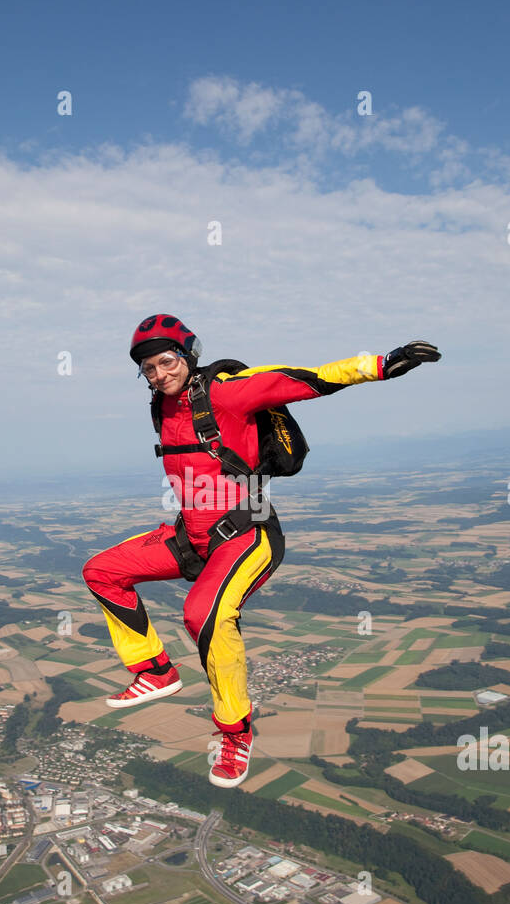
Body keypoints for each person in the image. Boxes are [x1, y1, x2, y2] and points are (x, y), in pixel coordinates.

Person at [82, 315, 440, 788]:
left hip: (246, 534)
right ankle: (156, 671)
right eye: (148, 368)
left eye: (167, 362)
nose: (159, 374)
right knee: (102, 571)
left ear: (187, 356)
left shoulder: (226, 392)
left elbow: (306, 379)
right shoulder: (162, 407)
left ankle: (236, 735)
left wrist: (382, 364)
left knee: (204, 614)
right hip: (192, 537)